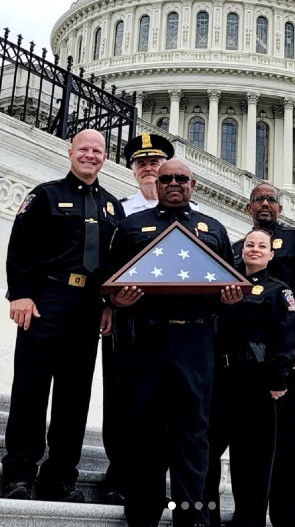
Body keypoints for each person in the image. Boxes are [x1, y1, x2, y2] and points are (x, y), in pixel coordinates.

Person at [108, 159, 242, 527]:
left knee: (193, 431)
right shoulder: (131, 226)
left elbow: (227, 282)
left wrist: (230, 298)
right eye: (165, 178)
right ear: (156, 183)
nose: (173, 183)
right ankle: (143, 514)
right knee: (145, 427)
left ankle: (191, 515)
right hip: (148, 339)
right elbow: (111, 276)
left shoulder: (213, 229)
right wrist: (117, 300)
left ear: (192, 185)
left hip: (196, 340)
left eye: (181, 178)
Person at [1, 129, 122, 502]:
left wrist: (109, 304)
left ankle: (59, 478)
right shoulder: (45, 195)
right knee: (31, 387)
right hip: (47, 299)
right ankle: (20, 474)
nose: (90, 155)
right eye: (83, 148)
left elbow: (115, 263)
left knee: (75, 396)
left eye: (97, 150)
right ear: (70, 152)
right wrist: (20, 294)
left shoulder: (112, 207)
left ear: (105, 157)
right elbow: (20, 246)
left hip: (88, 306)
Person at [228, 183, 295, 527]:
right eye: (259, 199)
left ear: (280, 208)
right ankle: (248, 512)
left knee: (288, 436)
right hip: (248, 362)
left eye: (271, 199)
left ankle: (286, 516)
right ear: (249, 207)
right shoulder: (238, 249)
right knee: (248, 439)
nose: (265, 204)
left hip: (287, 354)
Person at [100, 131, 177, 505]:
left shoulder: (188, 214)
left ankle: (152, 478)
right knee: (120, 398)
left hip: (171, 324)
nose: (149, 168)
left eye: (155, 162)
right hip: (128, 319)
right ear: (133, 170)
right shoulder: (118, 211)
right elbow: (106, 264)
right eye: (141, 163)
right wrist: (108, 304)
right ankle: (118, 475)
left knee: (164, 402)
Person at [204, 228, 295, 527]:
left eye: (261, 246)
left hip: (257, 382)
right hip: (223, 380)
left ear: (271, 254)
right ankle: (206, 516)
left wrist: (278, 380)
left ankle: (248, 521)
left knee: (252, 461)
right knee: (206, 451)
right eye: (249, 245)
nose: (254, 249)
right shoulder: (226, 287)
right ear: (242, 250)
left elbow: (284, 338)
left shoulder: (279, 291)